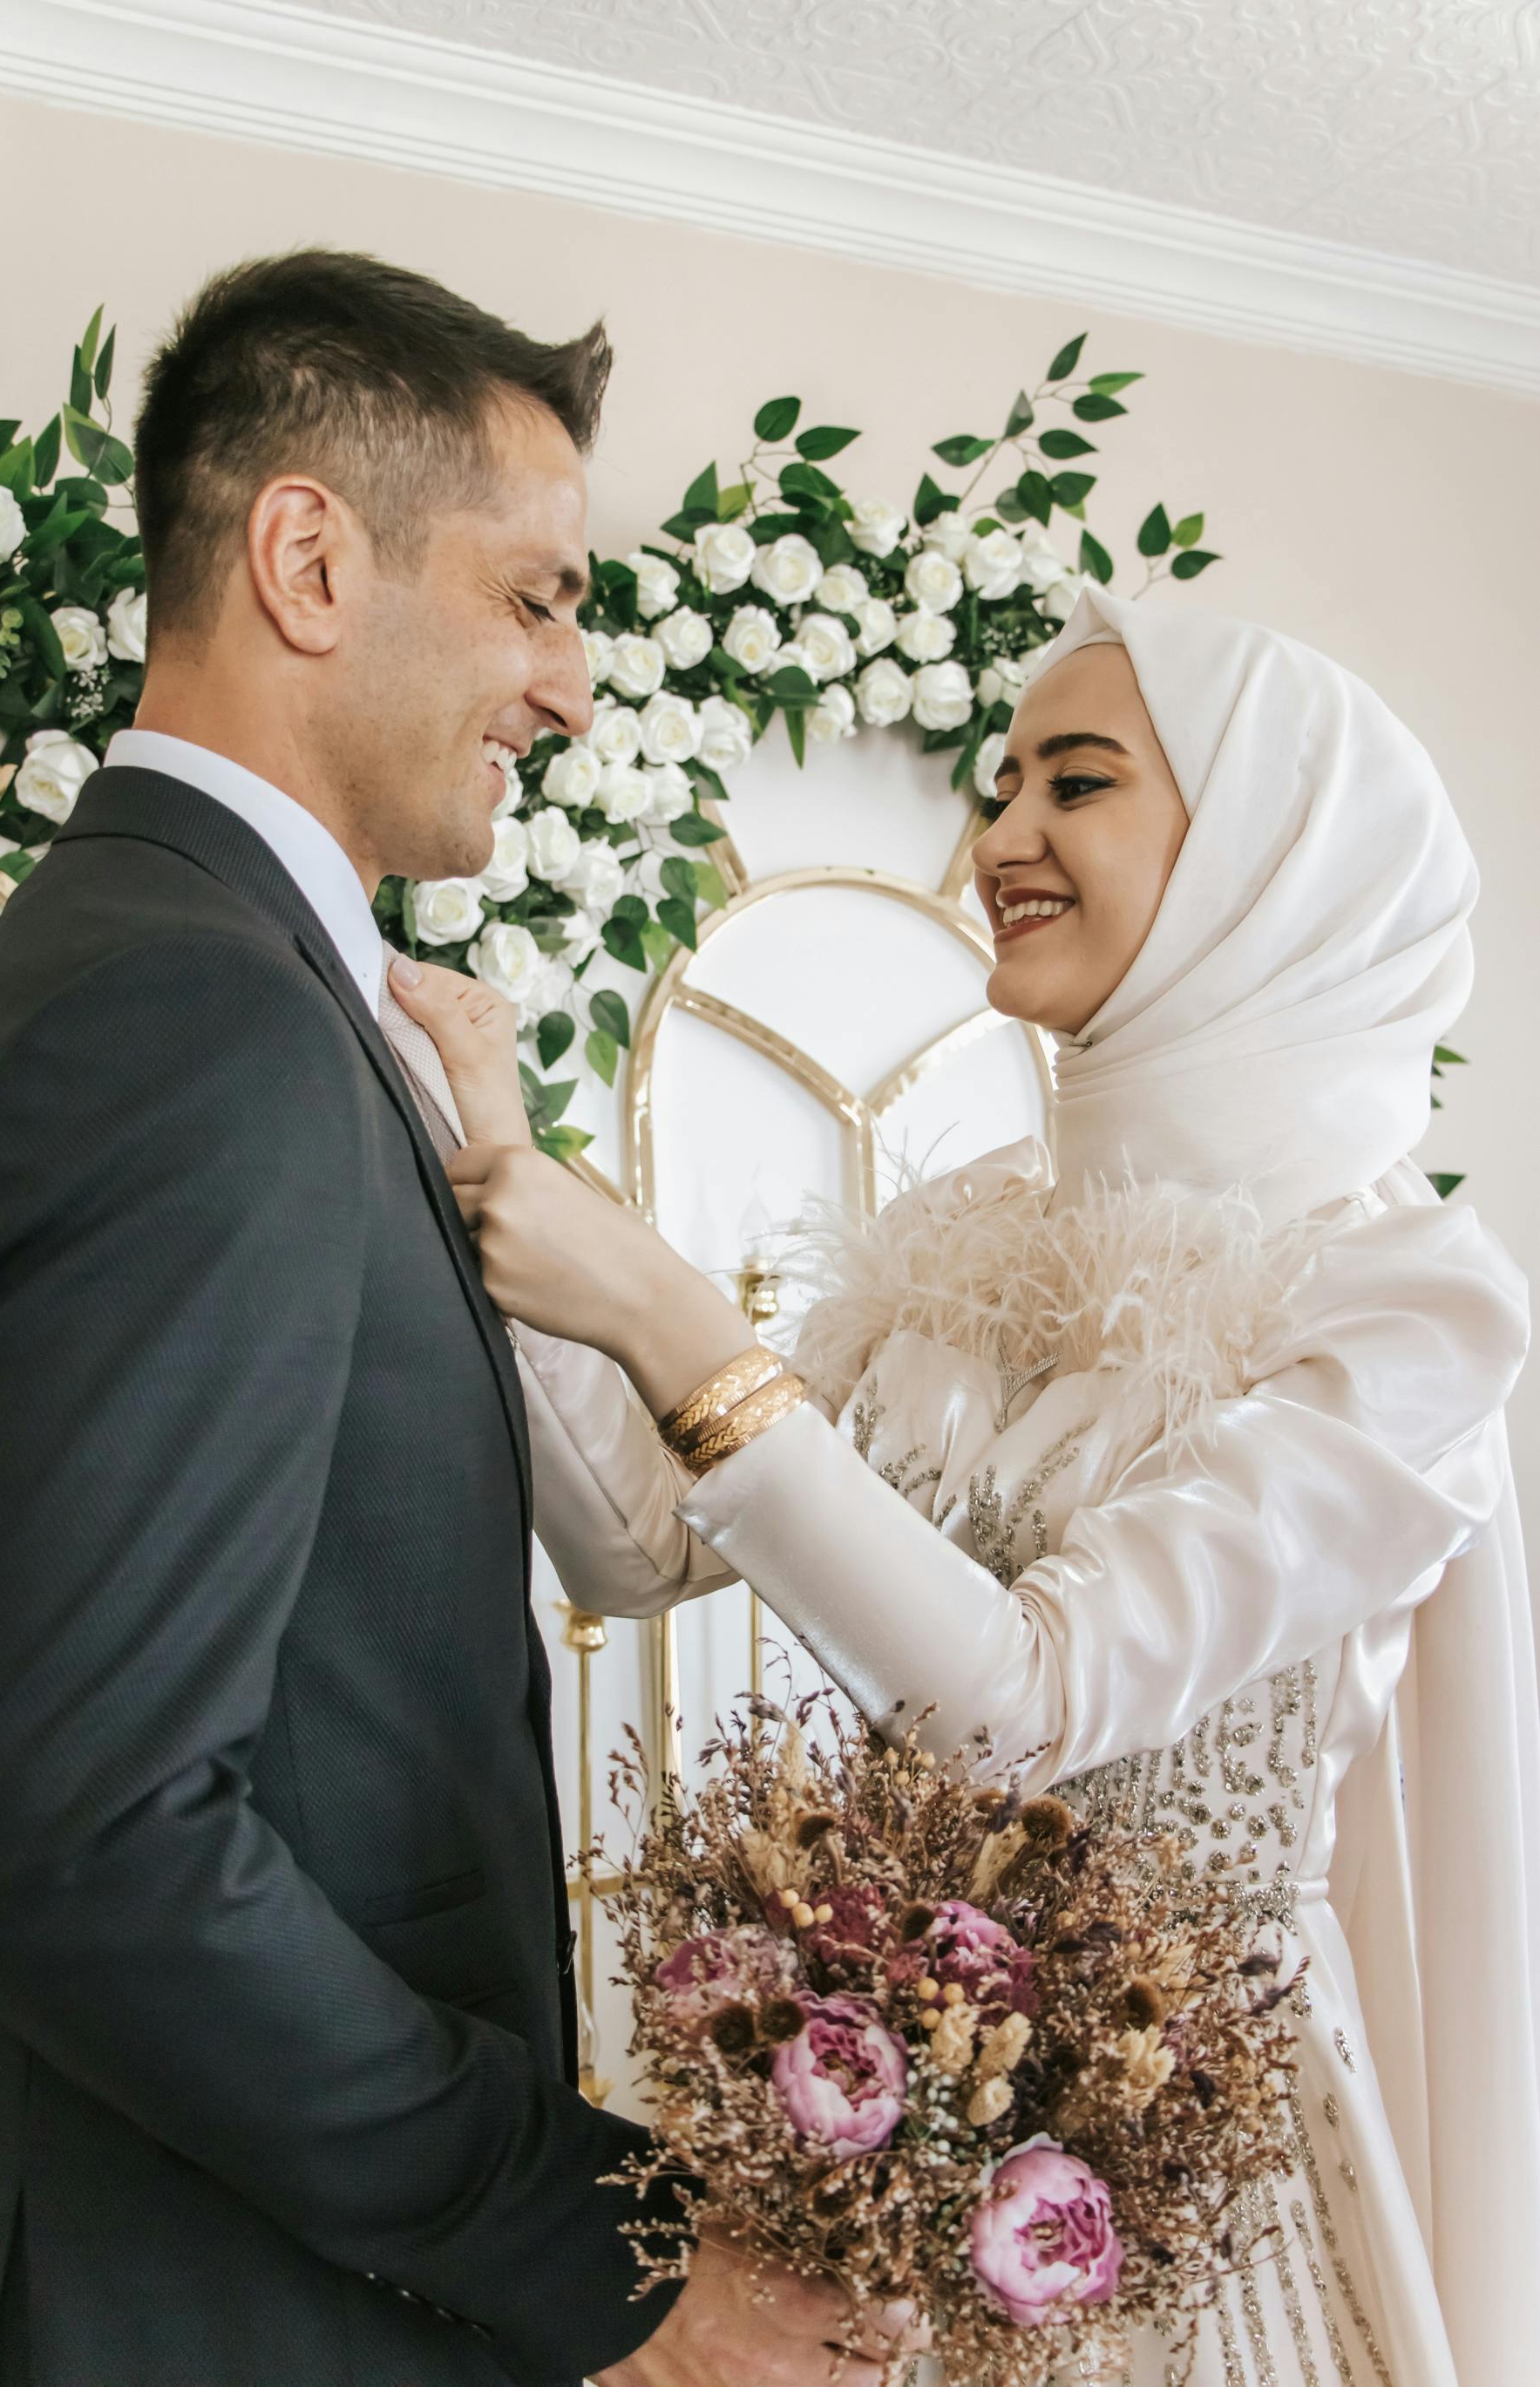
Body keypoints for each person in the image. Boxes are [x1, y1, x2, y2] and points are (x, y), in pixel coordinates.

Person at [400, 588, 1539, 2384]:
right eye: (997, 784)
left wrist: (660, 1305)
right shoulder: (964, 1234)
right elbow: (627, 1539)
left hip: (1182, 2199)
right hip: (869, 2145)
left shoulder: (1399, 1304)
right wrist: (496, 1148)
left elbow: (1029, 1705)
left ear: (1268, 864)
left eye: (1070, 784)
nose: (997, 835)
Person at [0, 249, 905, 2387]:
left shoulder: (185, 977)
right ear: (308, 558)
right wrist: (589, 2247)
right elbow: (87, 1817)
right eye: (537, 596)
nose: (573, 684)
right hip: (197, 2302)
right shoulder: (197, 1016)